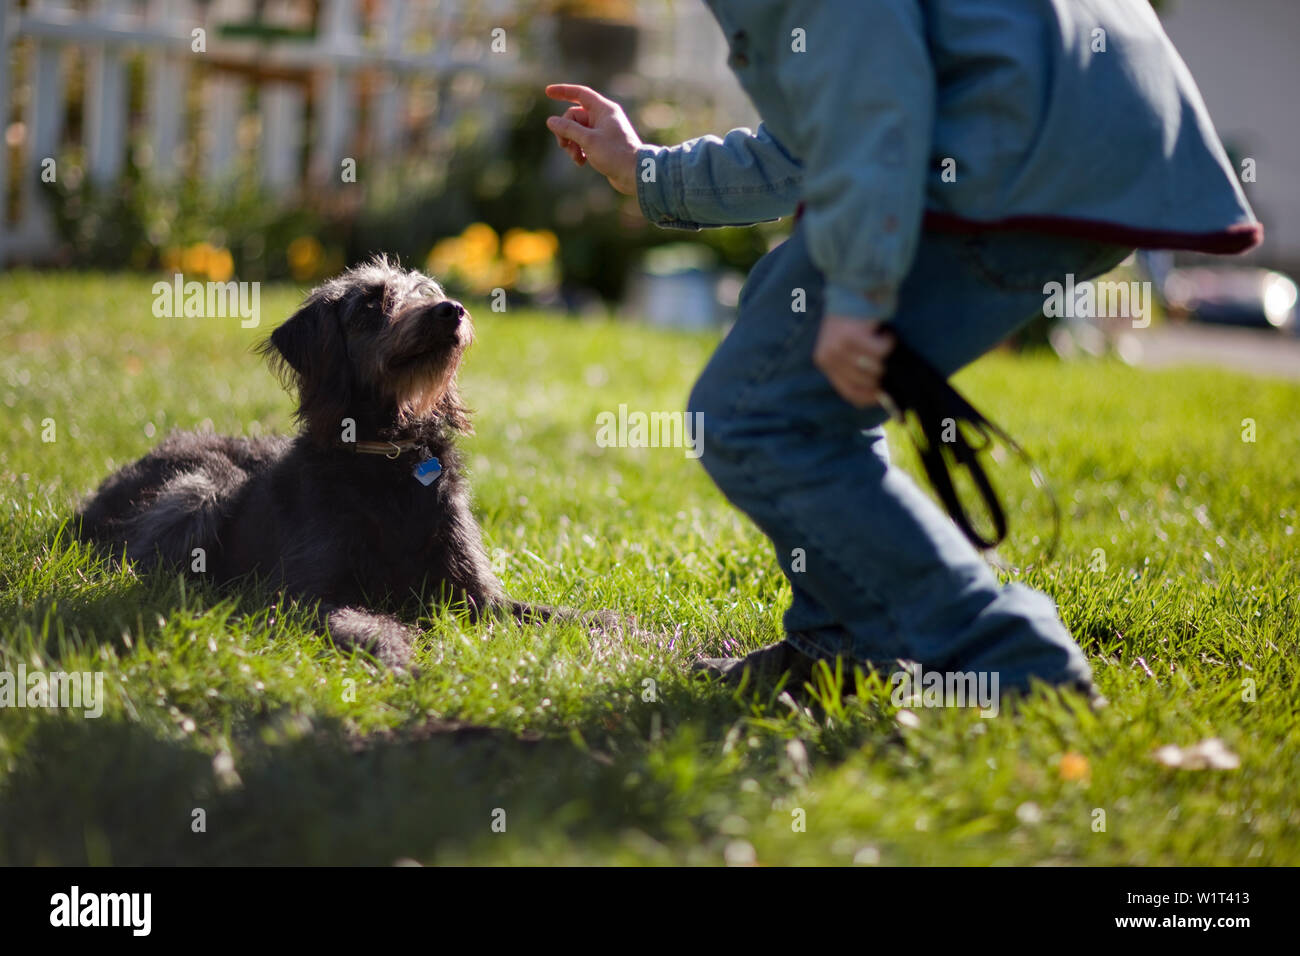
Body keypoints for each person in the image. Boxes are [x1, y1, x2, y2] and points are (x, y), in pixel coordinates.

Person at [544, 0, 1260, 700]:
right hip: (1076, 132)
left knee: (755, 410)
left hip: (1017, 145)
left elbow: (873, 101)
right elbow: (823, 134)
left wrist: (858, 291)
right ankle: (843, 645)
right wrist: (645, 171)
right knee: (779, 319)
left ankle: (1015, 664)